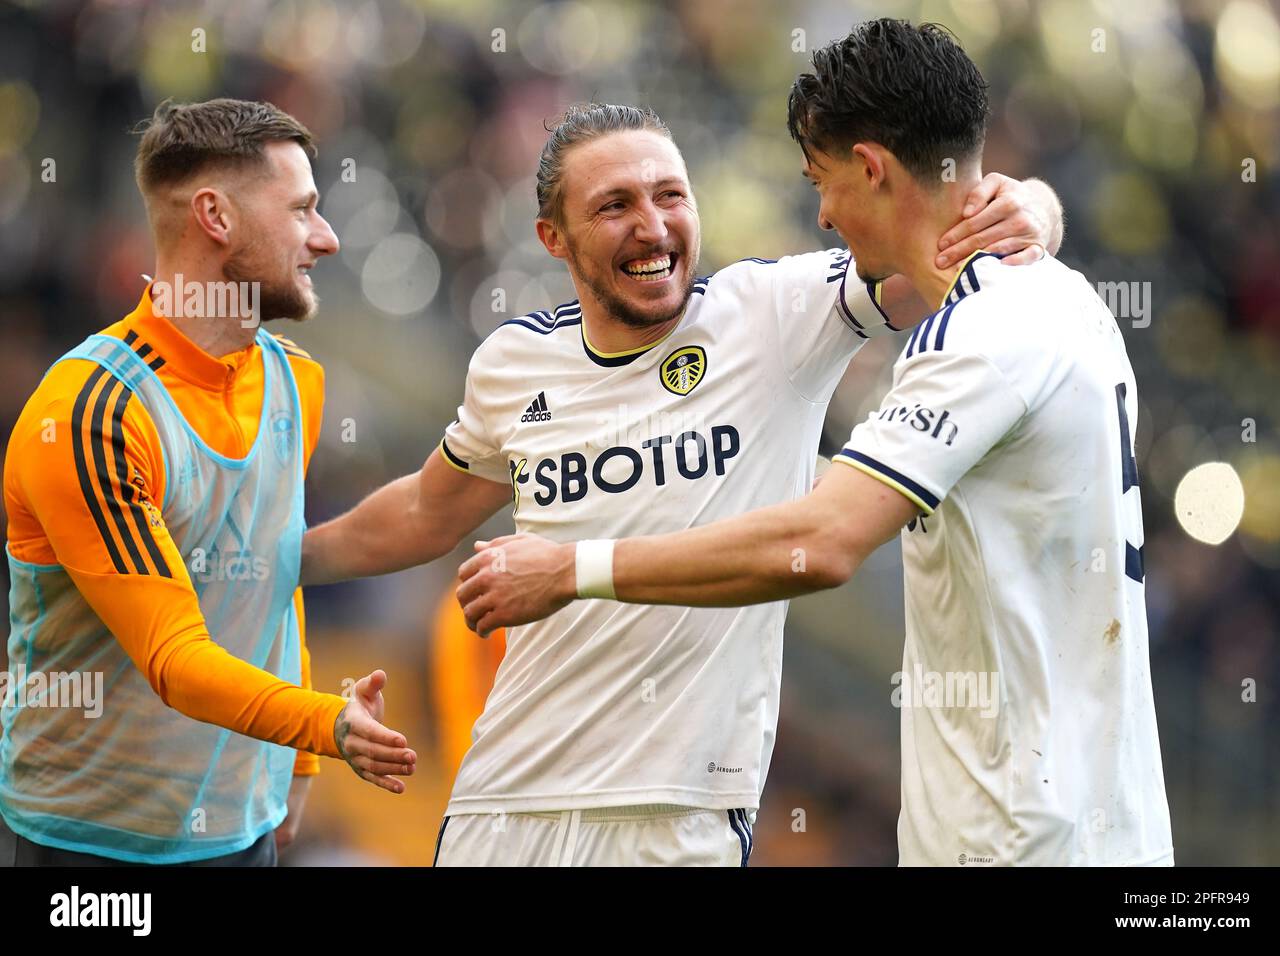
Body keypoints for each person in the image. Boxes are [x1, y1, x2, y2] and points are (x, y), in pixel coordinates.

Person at [458, 21, 1174, 867]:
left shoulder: (983, 332)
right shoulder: (1066, 299)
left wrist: (571, 569)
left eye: (822, 182)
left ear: (871, 168)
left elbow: (822, 542)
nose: (825, 213)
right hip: (1096, 824)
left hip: (1017, 838)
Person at [302, 101, 1062, 867]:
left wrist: (1034, 204)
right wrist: (281, 560)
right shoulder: (513, 364)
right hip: (502, 804)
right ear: (552, 239)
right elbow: (423, 510)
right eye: (615, 205)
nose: (653, 226)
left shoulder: (777, 316)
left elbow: (956, 255)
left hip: (678, 817)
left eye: (670, 195)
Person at [1, 98, 415, 867]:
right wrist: (325, 726)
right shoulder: (91, 412)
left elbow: (273, 573)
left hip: (243, 830)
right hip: (92, 847)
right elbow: (174, 659)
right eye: (301, 210)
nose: (325, 238)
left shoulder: (296, 383)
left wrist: (295, 767)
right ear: (216, 217)